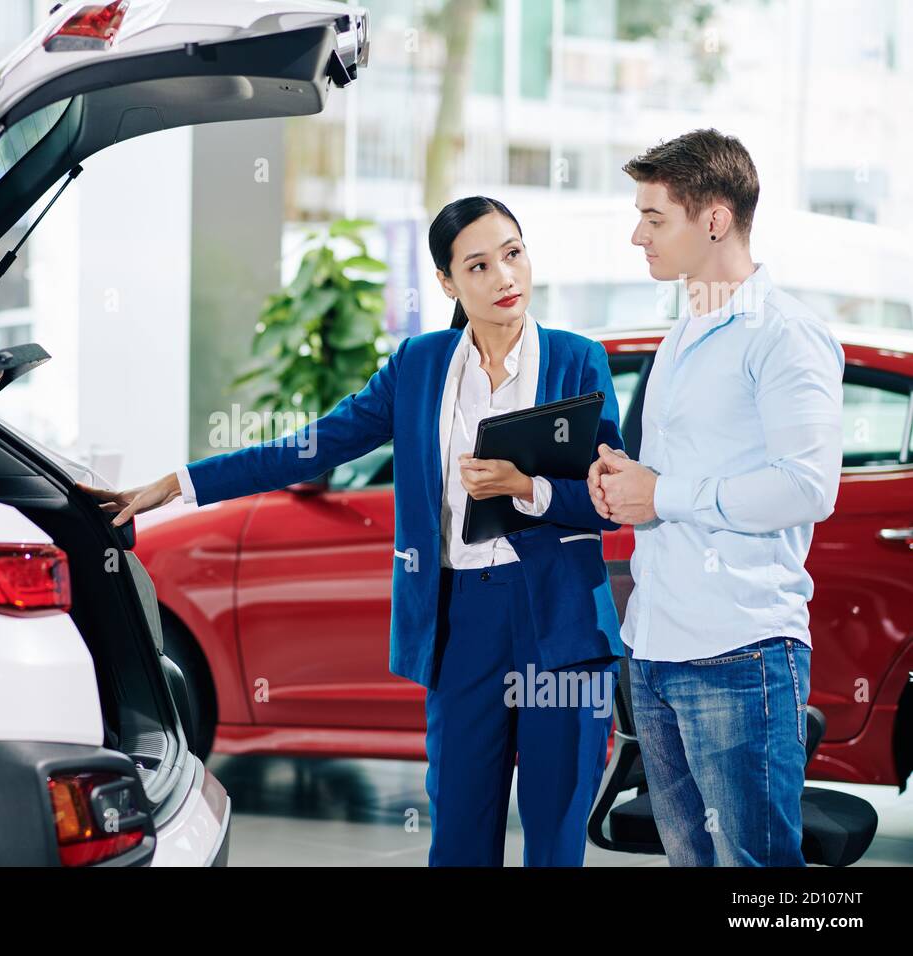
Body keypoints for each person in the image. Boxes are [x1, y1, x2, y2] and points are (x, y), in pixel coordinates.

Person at [80, 197, 625, 866]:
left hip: (561, 622)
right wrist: (177, 483)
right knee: (460, 831)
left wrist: (527, 488)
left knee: (555, 834)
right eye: (479, 265)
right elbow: (310, 446)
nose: (505, 277)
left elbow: (609, 501)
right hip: (463, 620)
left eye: (513, 254)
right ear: (448, 283)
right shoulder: (419, 365)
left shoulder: (577, 360)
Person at [590, 128, 844, 866]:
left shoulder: (785, 334)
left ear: (714, 219)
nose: (637, 235)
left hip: (740, 651)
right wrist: (627, 480)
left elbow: (807, 485)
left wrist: (663, 494)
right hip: (656, 647)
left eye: (654, 217)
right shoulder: (683, 332)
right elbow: (681, 482)